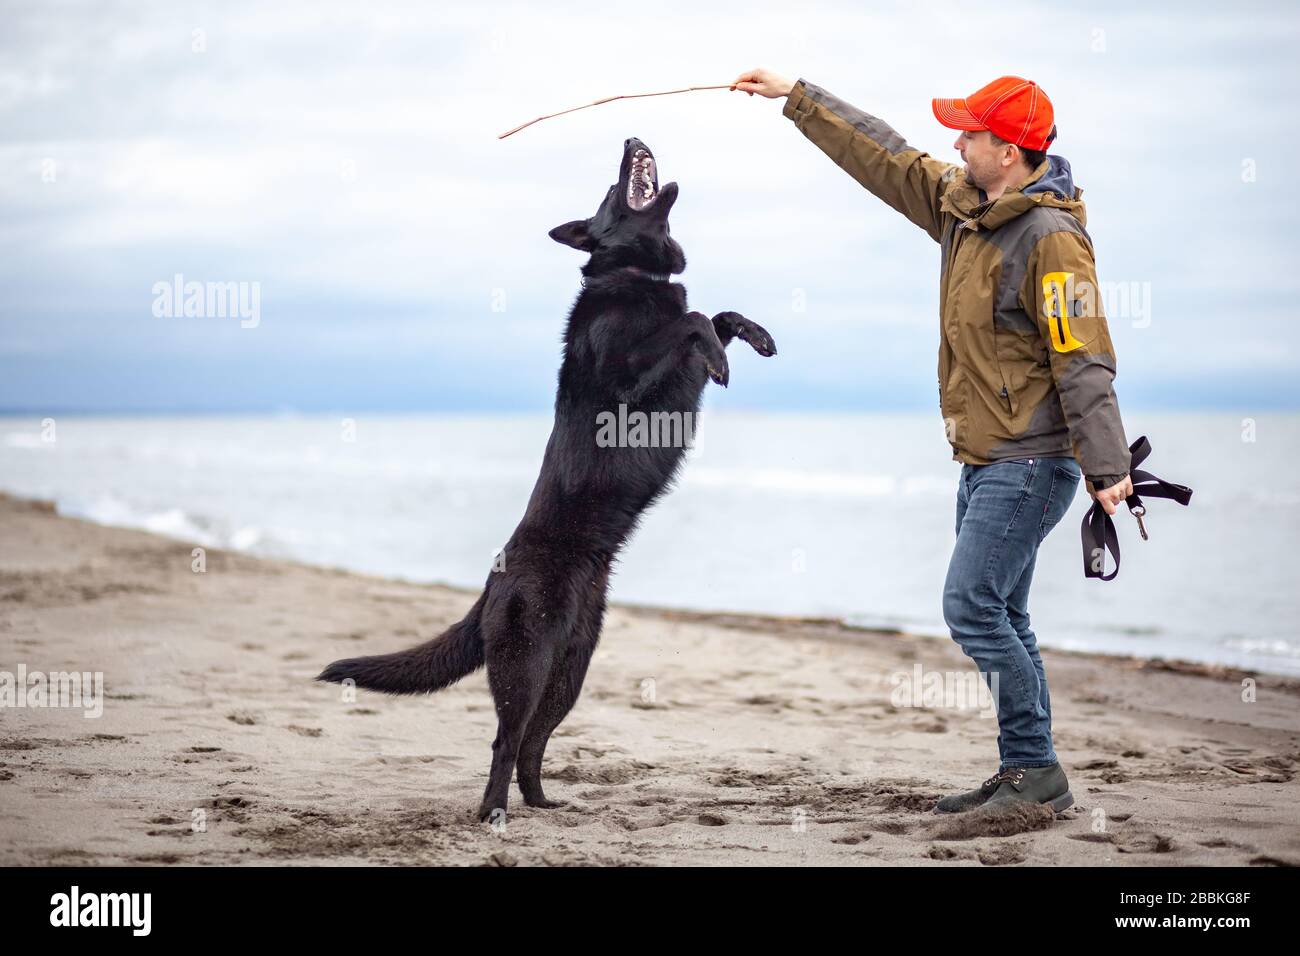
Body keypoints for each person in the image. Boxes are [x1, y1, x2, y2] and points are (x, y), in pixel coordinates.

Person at [731, 68, 1134, 813]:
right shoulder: (961, 207)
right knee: (1002, 613)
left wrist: (1108, 468)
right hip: (986, 459)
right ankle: (1029, 770)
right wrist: (796, 97)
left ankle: (1035, 774)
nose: (957, 142)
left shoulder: (1054, 240)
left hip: (1034, 461)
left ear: (1009, 150)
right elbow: (883, 155)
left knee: (971, 607)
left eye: (972, 133)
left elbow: (1083, 354)